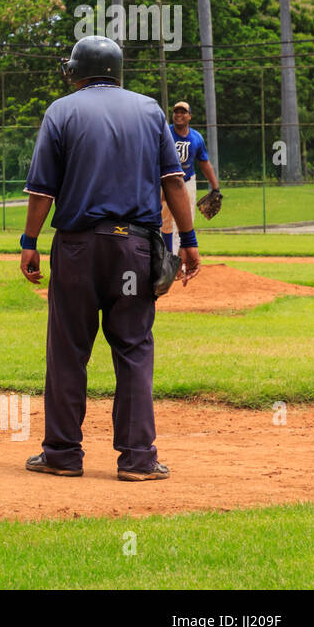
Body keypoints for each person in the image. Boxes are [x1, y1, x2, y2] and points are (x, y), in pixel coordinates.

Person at [19, 36, 201, 482]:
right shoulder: (149, 110)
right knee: (134, 350)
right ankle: (138, 459)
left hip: (78, 248)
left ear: (78, 70)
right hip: (133, 250)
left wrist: (29, 240)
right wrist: (189, 239)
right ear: (117, 71)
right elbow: (173, 182)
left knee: (68, 351)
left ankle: (62, 454)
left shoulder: (61, 111)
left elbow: (43, 189)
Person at [160, 101, 220, 253]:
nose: (179, 115)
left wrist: (215, 187)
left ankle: (182, 258)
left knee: (186, 220)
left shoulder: (196, 138)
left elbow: (204, 163)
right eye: (176, 112)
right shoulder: (165, 133)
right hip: (166, 182)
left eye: (183, 112)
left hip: (188, 182)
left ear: (190, 116)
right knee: (166, 221)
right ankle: (168, 257)